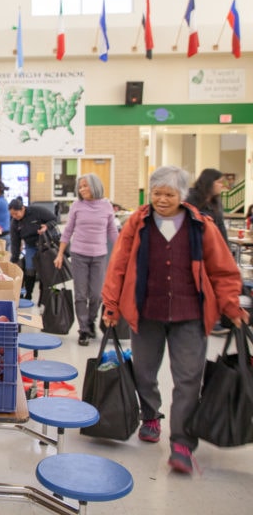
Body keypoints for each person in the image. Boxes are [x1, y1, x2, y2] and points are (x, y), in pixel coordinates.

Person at [102, 165, 249, 474]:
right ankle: (151, 415)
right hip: (146, 313)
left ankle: (182, 442)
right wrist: (111, 305)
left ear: (182, 195)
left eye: (169, 194)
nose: (162, 199)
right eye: (157, 193)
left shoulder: (200, 226)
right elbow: (118, 265)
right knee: (144, 372)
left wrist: (231, 306)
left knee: (188, 380)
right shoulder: (137, 223)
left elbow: (222, 270)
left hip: (190, 316)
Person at [53, 174, 118, 346]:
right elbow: (68, 231)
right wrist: (60, 254)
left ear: (95, 186)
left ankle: (90, 321)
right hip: (79, 254)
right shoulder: (77, 206)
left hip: (99, 255)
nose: (81, 189)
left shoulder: (106, 206)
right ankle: (84, 330)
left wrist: (121, 253)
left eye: (85, 186)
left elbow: (112, 231)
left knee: (96, 295)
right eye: (80, 187)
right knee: (81, 294)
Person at [8, 197, 58, 303]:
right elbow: (15, 242)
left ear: (22, 209)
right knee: (29, 269)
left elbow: (54, 219)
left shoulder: (37, 211)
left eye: (16, 213)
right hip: (31, 246)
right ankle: (28, 294)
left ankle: (44, 298)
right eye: (12, 214)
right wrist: (14, 260)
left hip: (46, 245)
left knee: (45, 271)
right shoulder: (15, 223)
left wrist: (47, 226)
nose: (14, 217)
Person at [185, 168, 229, 246]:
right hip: (194, 243)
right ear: (209, 182)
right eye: (219, 182)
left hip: (213, 244)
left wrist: (226, 249)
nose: (222, 185)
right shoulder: (190, 198)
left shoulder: (216, 201)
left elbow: (221, 225)